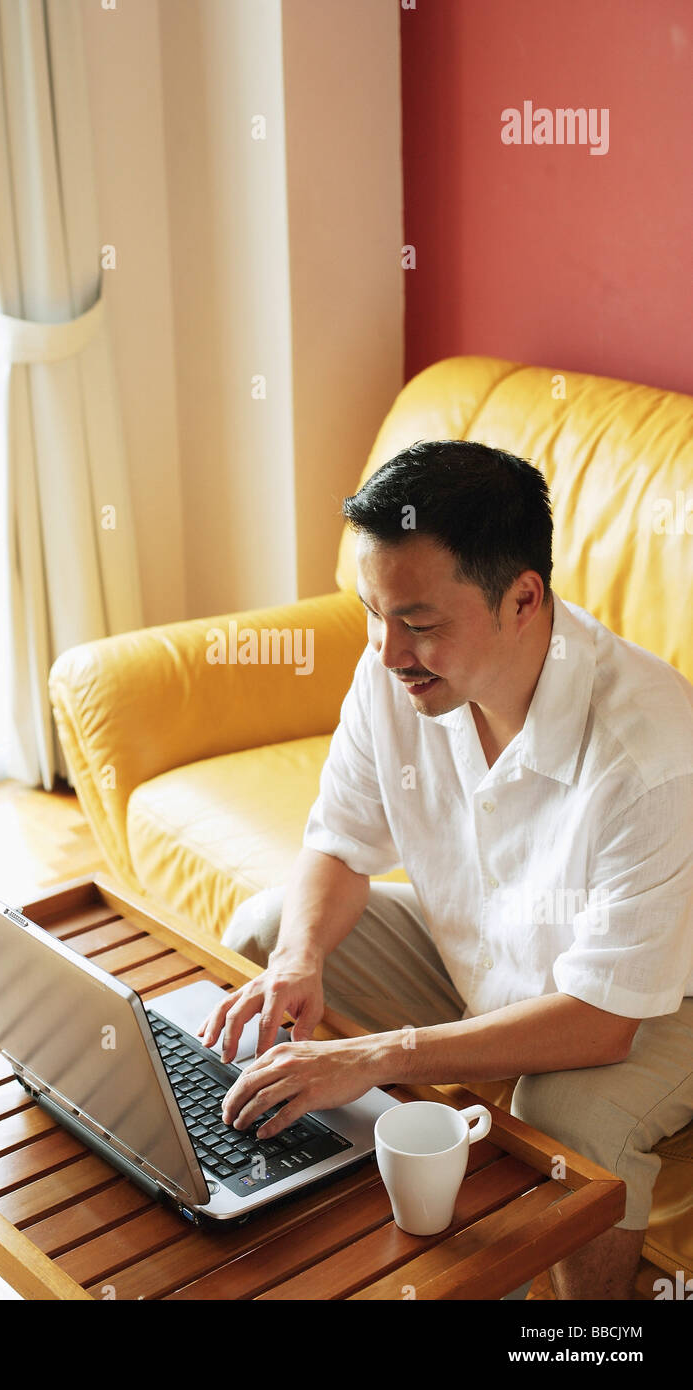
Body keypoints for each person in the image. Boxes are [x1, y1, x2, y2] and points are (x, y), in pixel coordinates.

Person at [197, 439, 693, 1301]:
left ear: (523, 599)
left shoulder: (650, 756)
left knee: (567, 1116)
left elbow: (602, 1023)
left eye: (418, 622)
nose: (388, 653)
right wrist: (299, 962)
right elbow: (341, 843)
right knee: (270, 933)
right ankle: (325, 1225)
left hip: (659, 998)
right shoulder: (398, 677)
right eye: (373, 614)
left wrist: (375, 1056)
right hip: (485, 955)